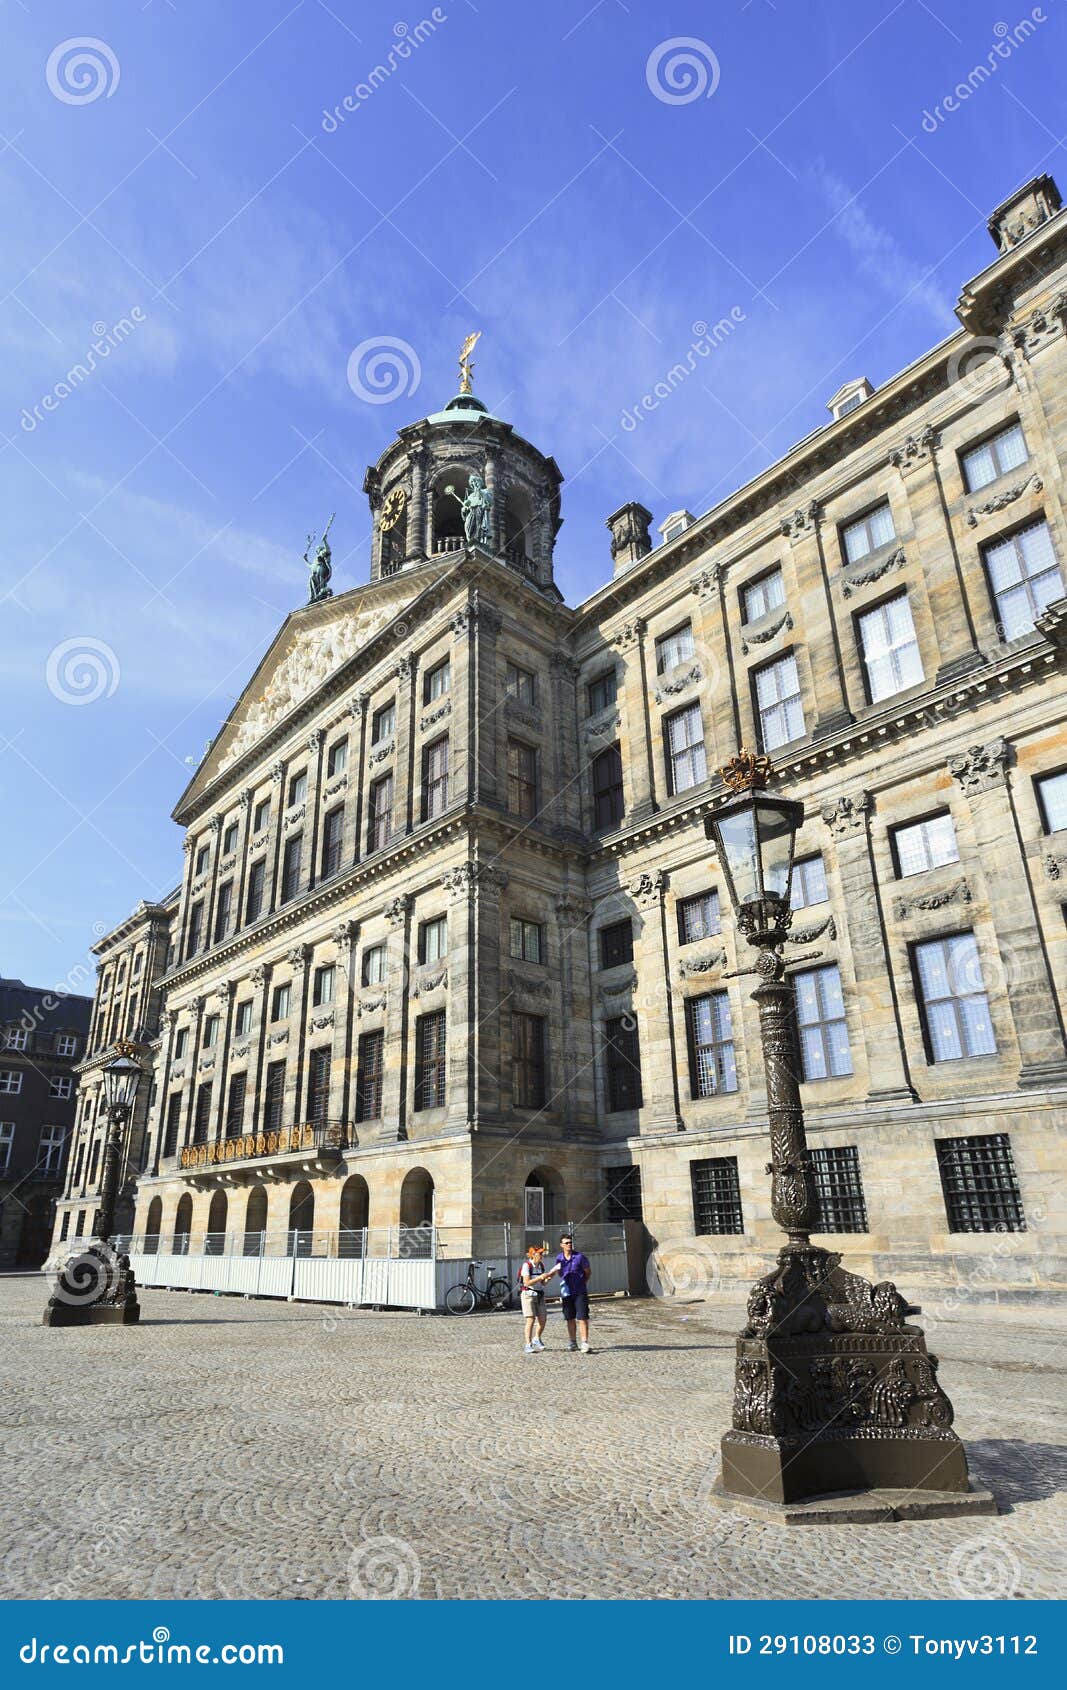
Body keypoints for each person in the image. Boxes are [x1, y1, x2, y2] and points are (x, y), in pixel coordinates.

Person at [549, 1232, 592, 1353]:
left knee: (582, 1317)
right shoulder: (559, 1258)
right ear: (561, 1245)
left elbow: (588, 1272)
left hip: (580, 1291)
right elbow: (558, 1271)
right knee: (569, 1318)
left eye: (570, 1242)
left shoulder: (580, 1257)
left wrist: (582, 1282)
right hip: (567, 1292)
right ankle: (573, 1342)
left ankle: (584, 1342)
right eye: (566, 1243)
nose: (569, 1244)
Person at [518, 1242, 551, 1355]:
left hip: (539, 1294)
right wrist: (540, 1278)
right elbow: (526, 1282)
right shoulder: (527, 1265)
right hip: (528, 1295)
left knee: (543, 1318)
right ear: (533, 1255)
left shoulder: (541, 1265)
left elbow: (543, 1283)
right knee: (530, 1319)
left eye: (542, 1254)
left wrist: (549, 1277)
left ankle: (537, 1338)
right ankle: (528, 1344)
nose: (541, 1256)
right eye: (539, 1254)